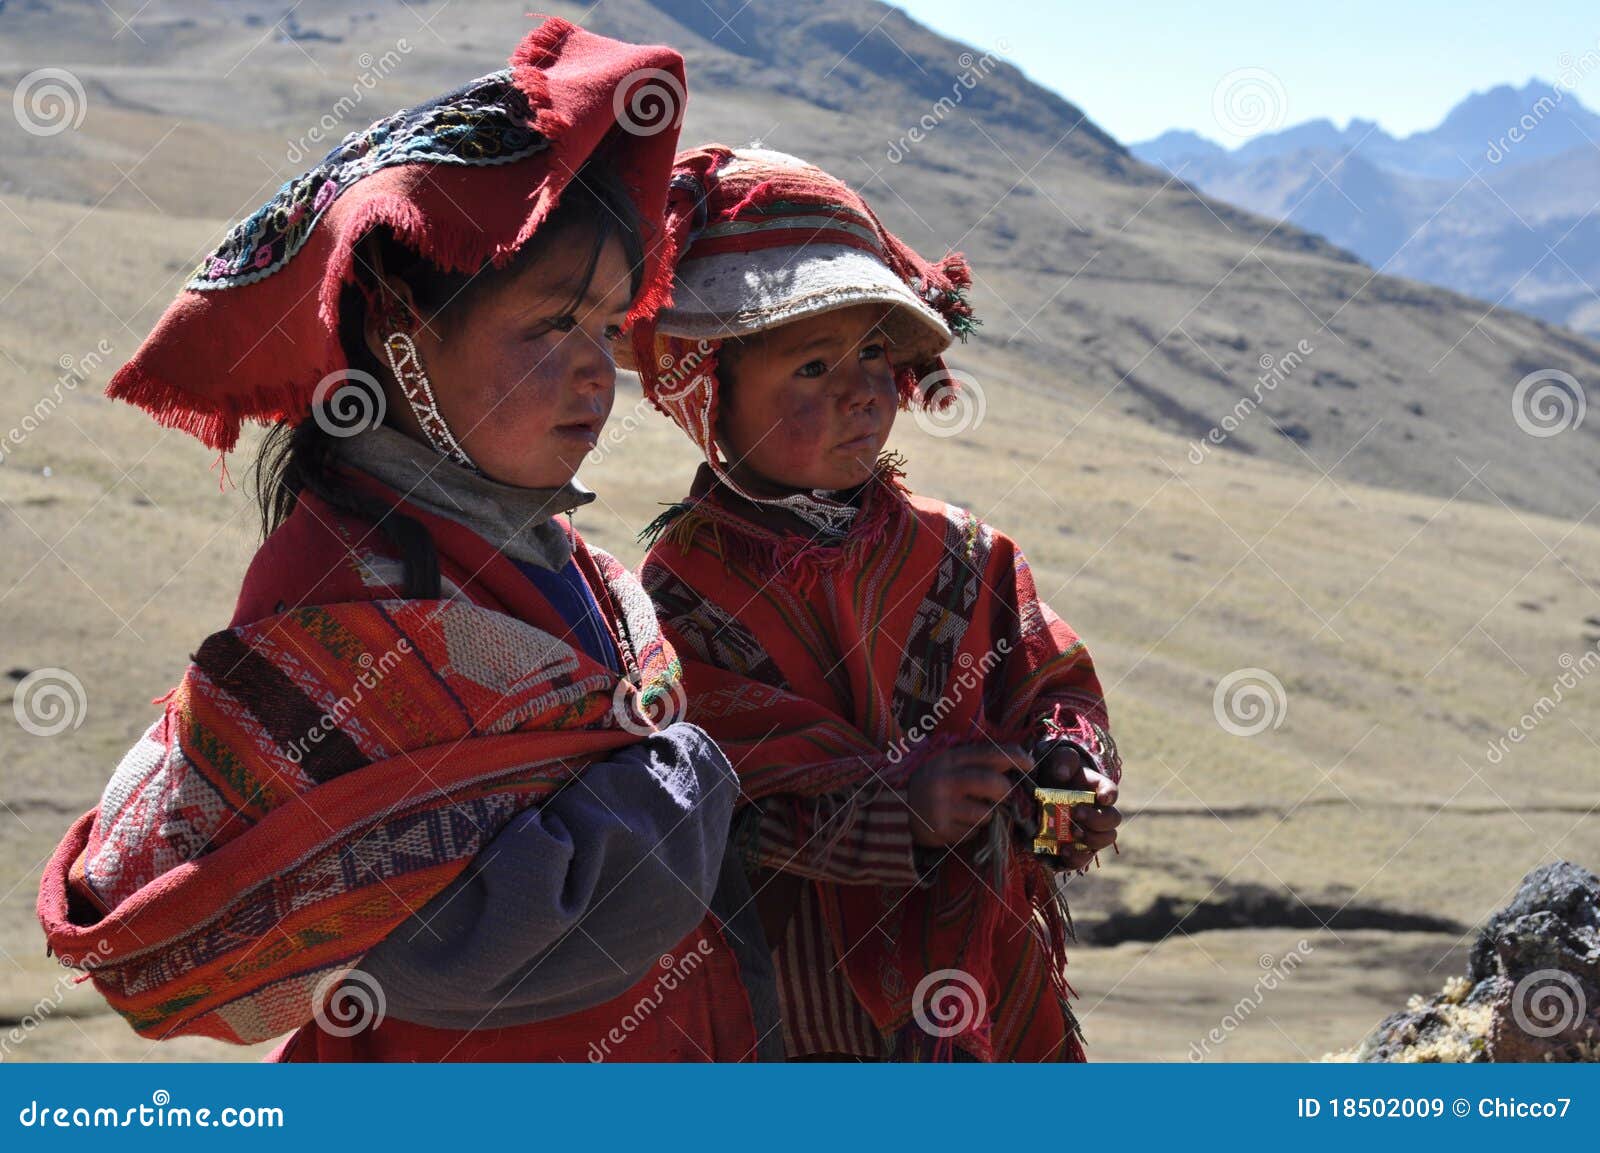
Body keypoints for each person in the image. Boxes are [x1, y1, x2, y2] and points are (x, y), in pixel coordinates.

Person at [36, 22, 780, 1063]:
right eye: (549, 326)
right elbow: (449, 939)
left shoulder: (561, 554)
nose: (592, 373)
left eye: (606, 330)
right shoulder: (337, 581)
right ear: (398, 333)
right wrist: (687, 781)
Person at [632, 146, 1123, 1061]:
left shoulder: (964, 552)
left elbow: (1051, 682)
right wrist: (897, 815)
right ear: (709, 389)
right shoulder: (678, 602)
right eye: (813, 368)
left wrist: (1067, 780)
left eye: (874, 355)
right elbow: (704, 812)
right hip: (799, 1010)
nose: (864, 391)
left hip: (994, 978)